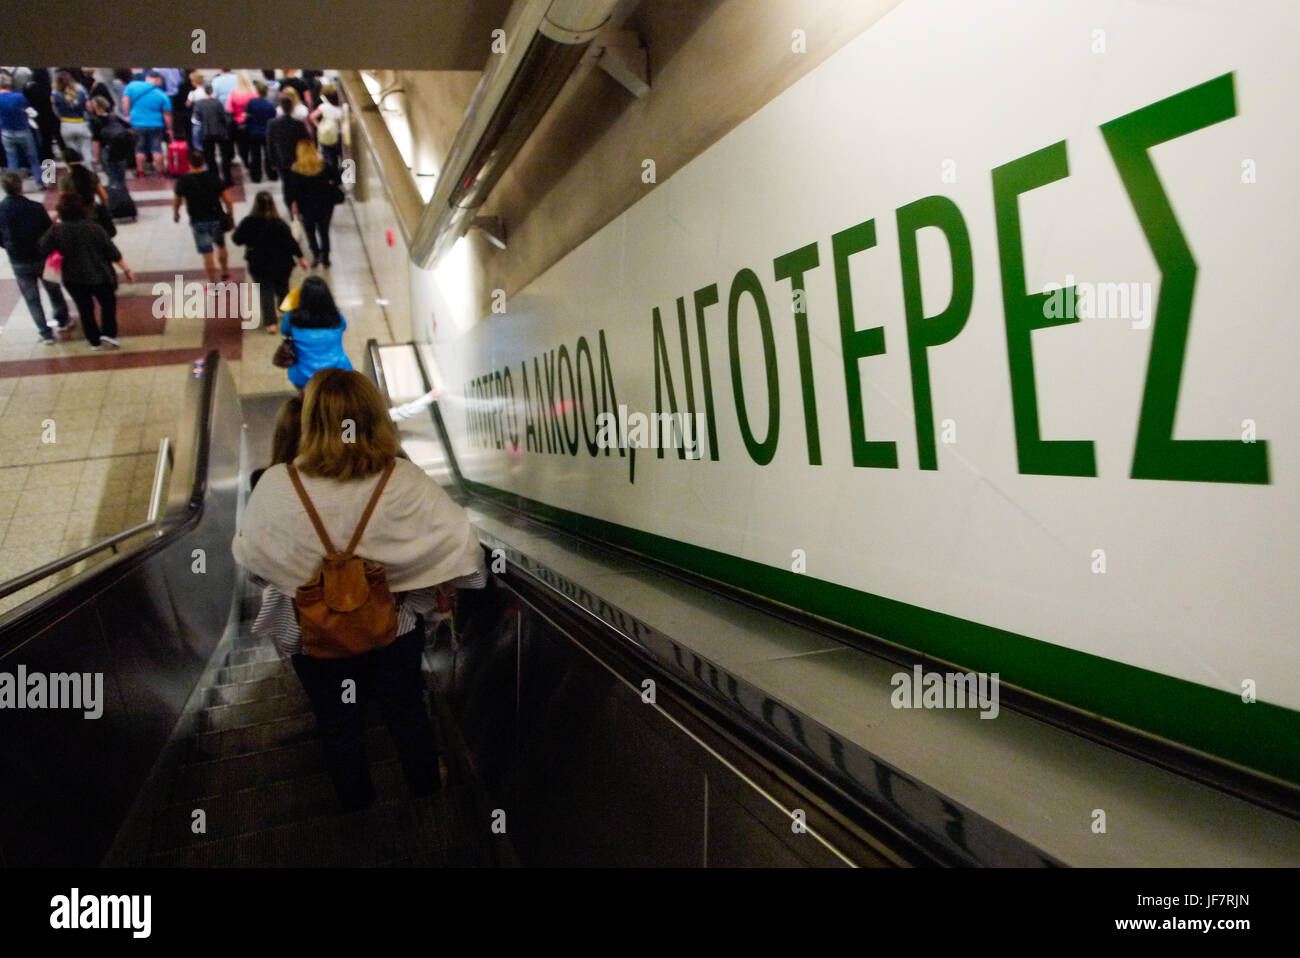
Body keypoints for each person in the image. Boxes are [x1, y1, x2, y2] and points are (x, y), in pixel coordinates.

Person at [231, 369, 486, 811]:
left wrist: (310, 580)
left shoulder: (277, 483)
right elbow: (464, 547)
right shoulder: (402, 479)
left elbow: (254, 563)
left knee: (335, 721)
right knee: (406, 709)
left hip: (314, 636)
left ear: (311, 421)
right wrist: (424, 583)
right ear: (376, 416)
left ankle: (356, 800)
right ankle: (426, 786)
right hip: (393, 629)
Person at [38, 190, 135, 349]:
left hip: (72, 278)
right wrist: (126, 270)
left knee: (85, 309)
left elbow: (42, 246)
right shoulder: (94, 228)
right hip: (100, 275)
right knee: (107, 304)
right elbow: (112, 252)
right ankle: (109, 334)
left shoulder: (57, 230)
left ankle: (94, 341)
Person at [0, 171, 72, 343]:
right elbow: (49, 230)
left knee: (31, 298)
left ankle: (45, 333)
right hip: (42, 256)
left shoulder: (1, 211)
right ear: (20, 187)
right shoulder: (35, 207)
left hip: (18, 260)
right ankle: (62, 320)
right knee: (53, 289)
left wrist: (8, 247)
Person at [231, 190, 307, 332]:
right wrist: (301, 257)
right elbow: (290, 242)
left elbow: (236, 239)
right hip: (282, 263)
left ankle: (270, 323)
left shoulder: (249, 223)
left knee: (265, 292)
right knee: (283, 288)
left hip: (258, 263)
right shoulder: (279, 223)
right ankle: (284, 312)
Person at [279, 275, 351, 389]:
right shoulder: (336, 317)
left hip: (303, 376)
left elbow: (284, 331)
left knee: (307, 401)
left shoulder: (293, 317)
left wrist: (293, 302)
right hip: (337, 372)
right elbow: (343, 327)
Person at [173, 149, 233, 283]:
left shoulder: (184, 181)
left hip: (198, 220)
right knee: (221, 246)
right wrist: (230, 214)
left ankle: (213, 283)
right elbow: (228, 200)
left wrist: (176, 213)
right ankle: (225, 273)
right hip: (216, 217)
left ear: (189, 163)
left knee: (207, 253)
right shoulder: (213, 177)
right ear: (203, 162)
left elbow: (177, 200)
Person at [286, 139, 343, 268]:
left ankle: (316, 255)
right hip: (325, 205)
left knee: (310, 232)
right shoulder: (324, 166)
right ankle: (326, 258)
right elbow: (337, 180)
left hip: (306, 207)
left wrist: (294, 205)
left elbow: (292, 192)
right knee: (324, 231)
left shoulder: (296, 170)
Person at [121, 70, 172, 177]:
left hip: (137, 123)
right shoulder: (162, 94)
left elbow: (125, 100)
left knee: (139, 148)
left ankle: (140, 172)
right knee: (156, 148)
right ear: (157, 79)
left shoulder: (132, 86)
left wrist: (127, 115)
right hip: (156, 124)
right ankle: (161, 172)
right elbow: (167, 115)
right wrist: (170, 129)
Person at [0, 73, 41, 185]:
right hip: (23, 129)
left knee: (12, 160)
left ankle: (14, 185)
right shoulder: (19, 97)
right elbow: (27, 110)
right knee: (33, 158)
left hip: (6, 132)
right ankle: (39, 182)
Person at [266, 95, 308, 206]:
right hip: (297, 158)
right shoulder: (298, 124)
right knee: (298, 183)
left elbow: (270, 143)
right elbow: (307, 142)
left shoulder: (272, 124)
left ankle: (290, 205)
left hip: (281, 159)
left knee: (286, 183)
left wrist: (272, 160)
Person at [88, 95, 133, 194]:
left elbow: (96, 140)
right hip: (120, 148)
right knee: (121, 175)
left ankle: (116, 196)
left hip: (106, 149)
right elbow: (128, 126)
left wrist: (96, 157)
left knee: (112, 175)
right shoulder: (114, 116)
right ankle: (124, 194)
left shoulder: (94, 120)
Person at [192, 82, 234, 186]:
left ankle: (213, 178)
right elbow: (224, 117)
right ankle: (227, 179)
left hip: (206, 132)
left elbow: (196, 118)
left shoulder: (199, 103)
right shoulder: (217, 102)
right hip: (220, 132)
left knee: (210, 158)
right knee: (225, 157)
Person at [52, 71, 92, 165]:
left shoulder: (56, 95)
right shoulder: (80, 92)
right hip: (81, 123)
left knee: (73, 153)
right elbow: (87, 107)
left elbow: (55, 111)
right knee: (86, 151)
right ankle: (89, 171)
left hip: (66, 124)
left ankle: (76, 173)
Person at [243, 80, 275, 183]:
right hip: (267, 132)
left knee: (255, 155)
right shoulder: (270, 104)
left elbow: (246, 116)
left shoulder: (252, 102)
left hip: (254, 131)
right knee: (268, 155)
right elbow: (273, 117)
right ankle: (271, 174)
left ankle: (256, 177)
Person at [226, 71, 256, 172]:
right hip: (251, 123)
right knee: (253, 146)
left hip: (238, 124)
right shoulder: (254, 94)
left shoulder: (233, 93)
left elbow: (229, 109)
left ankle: (246, 163)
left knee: (242, 147)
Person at [310, 86, 343, 169]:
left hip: (326, 136)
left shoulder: (324, 107)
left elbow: (312, 116)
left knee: (329, 157)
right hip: (338, 135)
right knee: (341, 155)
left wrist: (319, 126)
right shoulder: (341, 109)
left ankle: (331, 173)